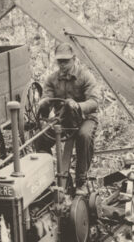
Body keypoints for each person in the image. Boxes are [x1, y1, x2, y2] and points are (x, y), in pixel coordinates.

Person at [36, 43, 101, 191]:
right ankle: (51, 176)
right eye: (60, 61)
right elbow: (48, 100)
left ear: (74, 59)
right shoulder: (52, 80)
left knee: (84, 136)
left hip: (85, 118)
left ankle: (81, 180)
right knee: (41, 138)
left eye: (66, 61)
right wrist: (44, 104)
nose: (63, 65)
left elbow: (94, 102)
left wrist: (78, 106)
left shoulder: (85, 76)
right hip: (63, 119)